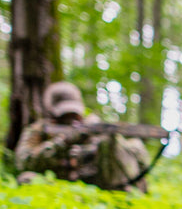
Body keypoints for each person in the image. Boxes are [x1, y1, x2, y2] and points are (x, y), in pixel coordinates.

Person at [14, 81, 152, 192]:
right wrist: (63, 142)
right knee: (26, 179)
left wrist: (94, 148)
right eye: (65, 115)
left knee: (133, 145)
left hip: (91, 185)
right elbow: (23, 162)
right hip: (56, 185)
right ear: (51, 112)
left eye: (75, 114)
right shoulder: (39, 130)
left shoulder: (92, 126)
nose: (72, 119)